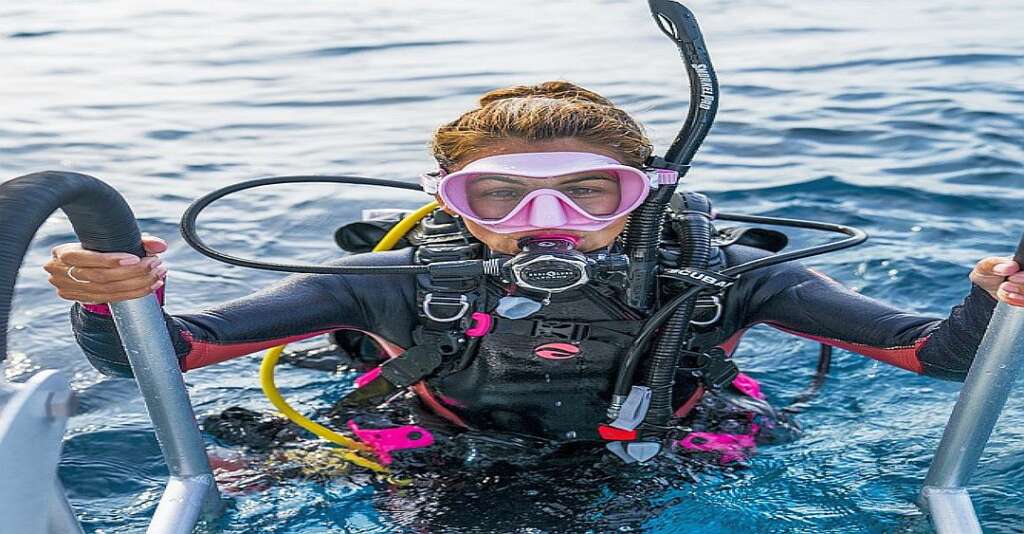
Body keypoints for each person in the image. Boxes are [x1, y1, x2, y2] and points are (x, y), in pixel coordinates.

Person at [44, 81, 1024, 467]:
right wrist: (117, 301)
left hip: (667, 442)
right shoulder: (385, 286)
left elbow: (929, 357)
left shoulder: (721, 280)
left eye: (589, 195)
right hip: (441, 450)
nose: (542, 224)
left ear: (645, 193)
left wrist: (992, 299)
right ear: (449, 200)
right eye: (499, 197)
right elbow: (156, 362)